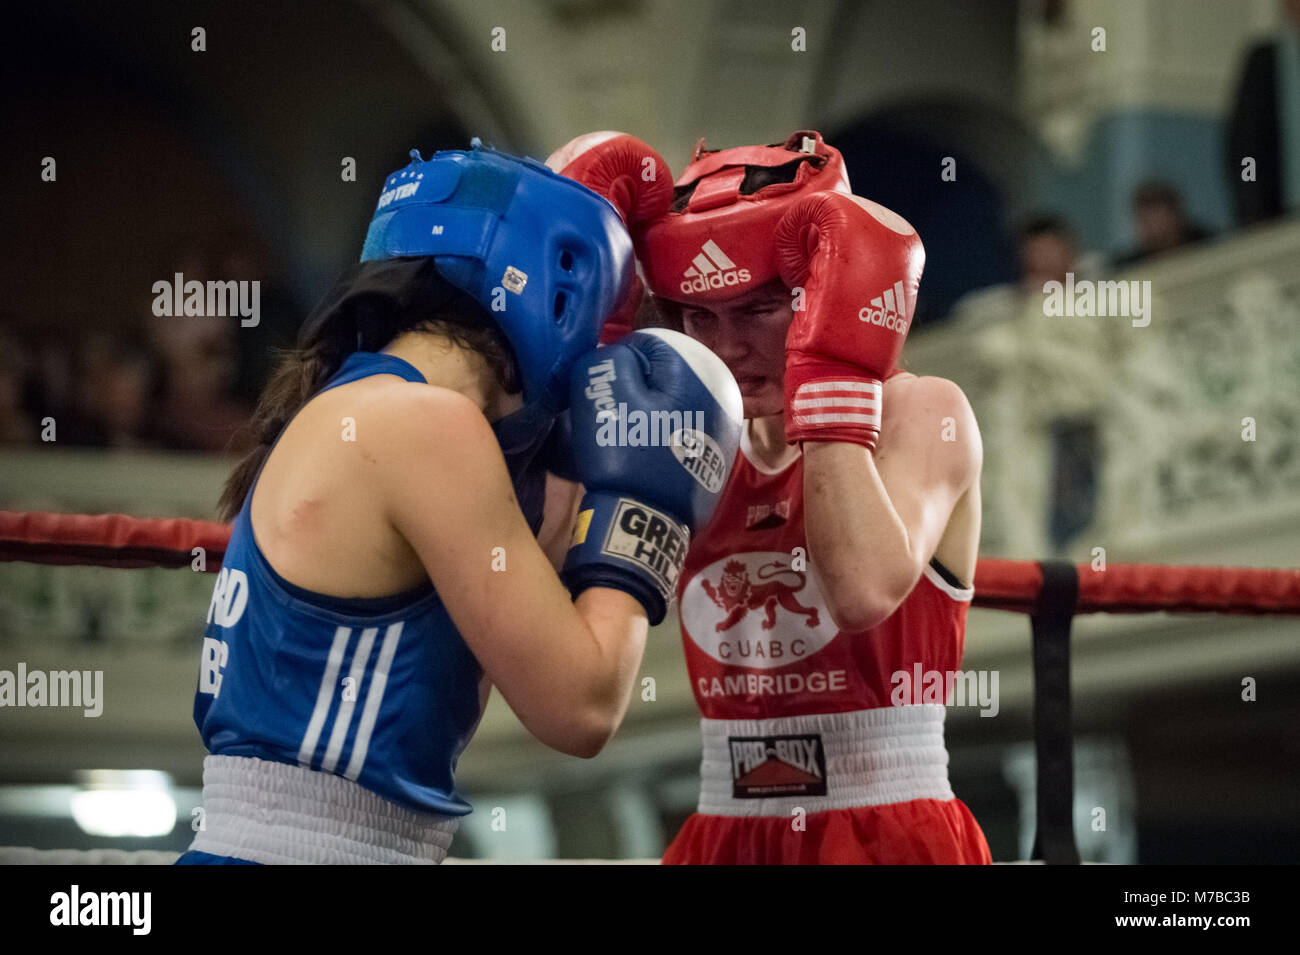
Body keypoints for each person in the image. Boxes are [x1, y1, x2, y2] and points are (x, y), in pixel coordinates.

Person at [177, 141, 742, 864]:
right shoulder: (426, 427)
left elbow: (540, 625)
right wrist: (647, 505)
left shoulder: (372, 405)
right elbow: (582, 706)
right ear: (563, 286)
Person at [617, 129, 991, 863]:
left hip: (885, 822)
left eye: (759, 310)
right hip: (723, 824)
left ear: (825, 292)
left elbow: (860, 592)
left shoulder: (923, 410)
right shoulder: (687, 433)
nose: (726, 347)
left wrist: (829, 382)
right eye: (700, 317)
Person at [1112, 180, 1212, 267]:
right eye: (1148, 221)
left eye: (1160, 220)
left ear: (1177, 216)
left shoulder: (1209, 246)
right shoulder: (1128, 266)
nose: (1156, 230)